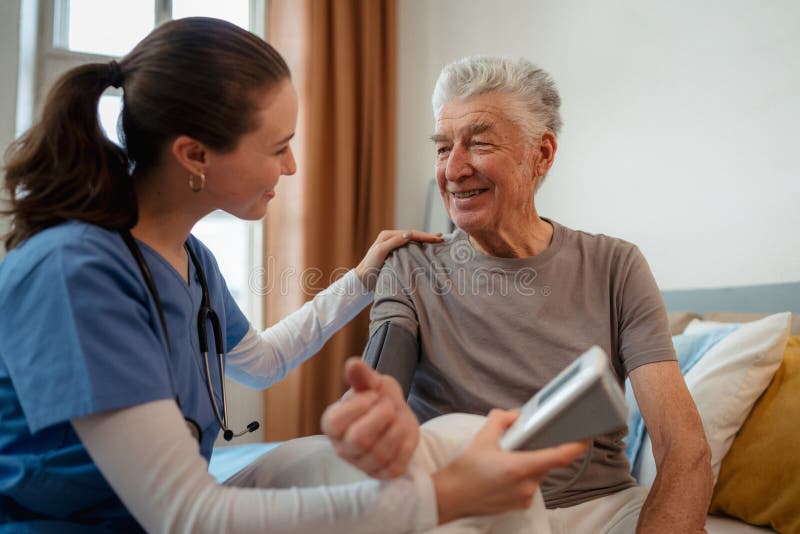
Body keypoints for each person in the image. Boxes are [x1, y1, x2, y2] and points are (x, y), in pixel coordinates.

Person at [0, 19, 587, 533]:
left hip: (165, 515)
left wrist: (361, 279)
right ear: (194, 155)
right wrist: (444, 497)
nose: (292, 165)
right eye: (277, 146)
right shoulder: (75, 275)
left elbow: (260, 361)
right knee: (441, 491)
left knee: (460, 436)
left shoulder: (189, 260)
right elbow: (188, 518)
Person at [365, 56, 714, 533]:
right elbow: (377, 396)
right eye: (443, 147)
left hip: (602, 508)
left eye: (479, 143)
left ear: (542, 154)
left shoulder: (616, 265)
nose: (454, 168)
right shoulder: (409, 266)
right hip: (473, 509)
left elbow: (682, 446)